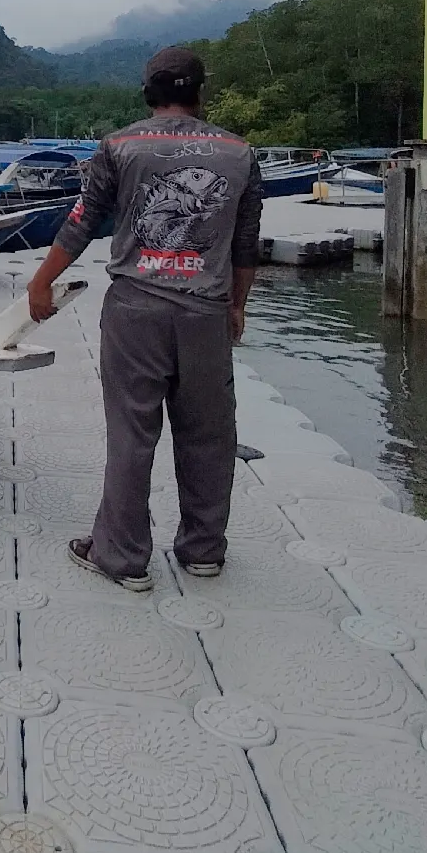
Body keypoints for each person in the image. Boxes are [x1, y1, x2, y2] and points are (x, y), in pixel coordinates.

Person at [26, 45, 262, 592]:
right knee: (210, 434)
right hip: (206, 310)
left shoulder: (120, 145)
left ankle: (123, 555)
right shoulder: (239, 153)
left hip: (136, 309)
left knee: (132, 432)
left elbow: (82, 222)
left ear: (148, 93)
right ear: (201, 94)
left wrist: (42, 281)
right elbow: (246, 245)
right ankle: (203, 550)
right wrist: (236, 305)